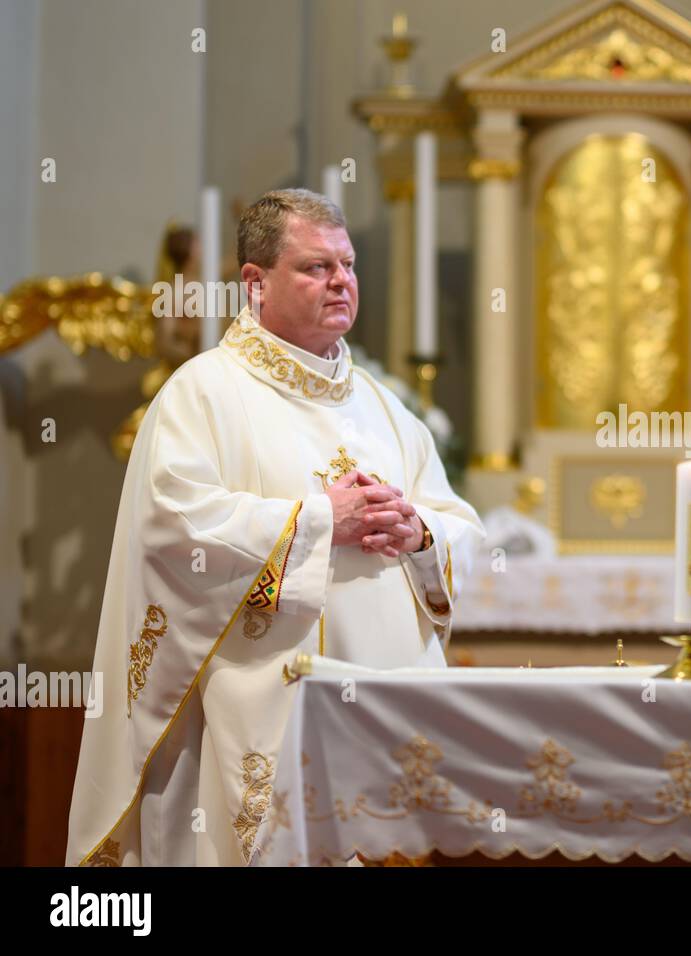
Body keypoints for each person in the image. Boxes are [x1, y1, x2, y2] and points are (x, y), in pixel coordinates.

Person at [67, 189, 483, 866]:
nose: (342, 280)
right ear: (255, 284)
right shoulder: (202, 394)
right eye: (316, 267)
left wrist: (421, 534)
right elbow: (174, 529)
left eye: (347, 265)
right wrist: (321, 521)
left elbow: (461, 527)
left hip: (386, 720)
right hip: (259, 712)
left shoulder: (388, 408)